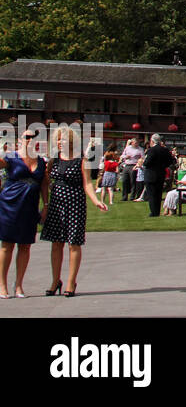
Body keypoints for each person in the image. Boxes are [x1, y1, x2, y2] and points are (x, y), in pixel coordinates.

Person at [42, 127, 108, 297]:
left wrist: (96, 201)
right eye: (57, 140)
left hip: (75, 202)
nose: (59, 143)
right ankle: (55, 280)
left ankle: (71, 282)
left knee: (74, 243)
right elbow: (47, 179)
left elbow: (87, 183)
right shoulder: (54, 160)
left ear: (71, 142)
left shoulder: (81, 160)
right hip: (57, 202)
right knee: (56, 243)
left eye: (62, 139)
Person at [0, 130, 47, 299]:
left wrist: (46, 206)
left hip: (29, 206)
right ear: (20, 139)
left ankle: (19, 284)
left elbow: (44, 184)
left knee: (25, 245)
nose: (30, 139)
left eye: (33, 137)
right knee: (7, 244)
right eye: (27, 136)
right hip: (10, 204)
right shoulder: (11, 157)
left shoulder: (41, 161)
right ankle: (2, 284)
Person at [141, 134, 175, 218]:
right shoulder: (165, 150)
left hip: (151, 174)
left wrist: (144, 163)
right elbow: (170, 161)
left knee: (152, 194)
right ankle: (157, 210)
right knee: (158, 194)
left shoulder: (151, 150)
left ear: (152, 141)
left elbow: (147, 162)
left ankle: (153, 212)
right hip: (161, 174)